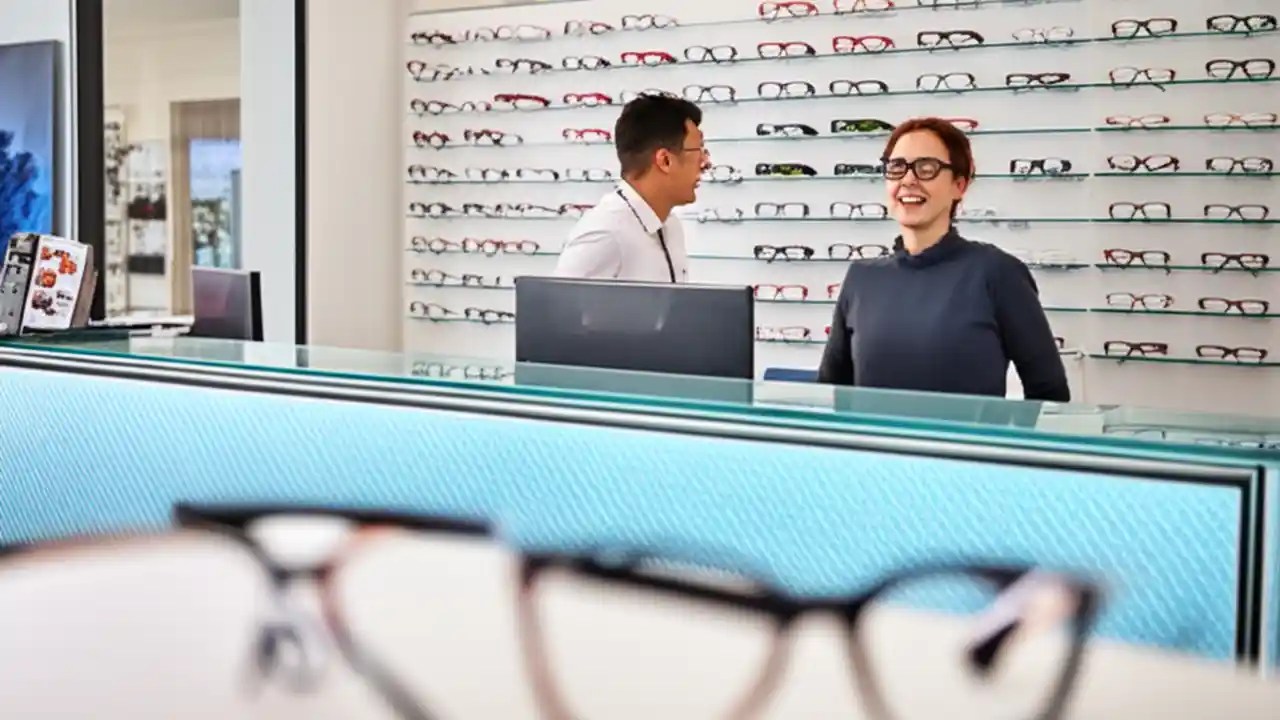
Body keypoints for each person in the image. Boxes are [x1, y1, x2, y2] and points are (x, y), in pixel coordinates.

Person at [818, 116, 1070, 401]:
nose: (909, 179)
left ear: (959, 186)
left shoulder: (998, 273)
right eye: (897, 167)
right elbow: (832, 391)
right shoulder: (862, 279)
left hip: (967, 447)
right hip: (874, 447)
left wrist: (998, 442)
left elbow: (1050, 394)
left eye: (927, 168)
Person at [553, 94, 710, 282]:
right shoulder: (604, 234)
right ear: (665, 160)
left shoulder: (670, 225)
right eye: (698, 150)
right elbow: (556, 309)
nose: (706, 162)